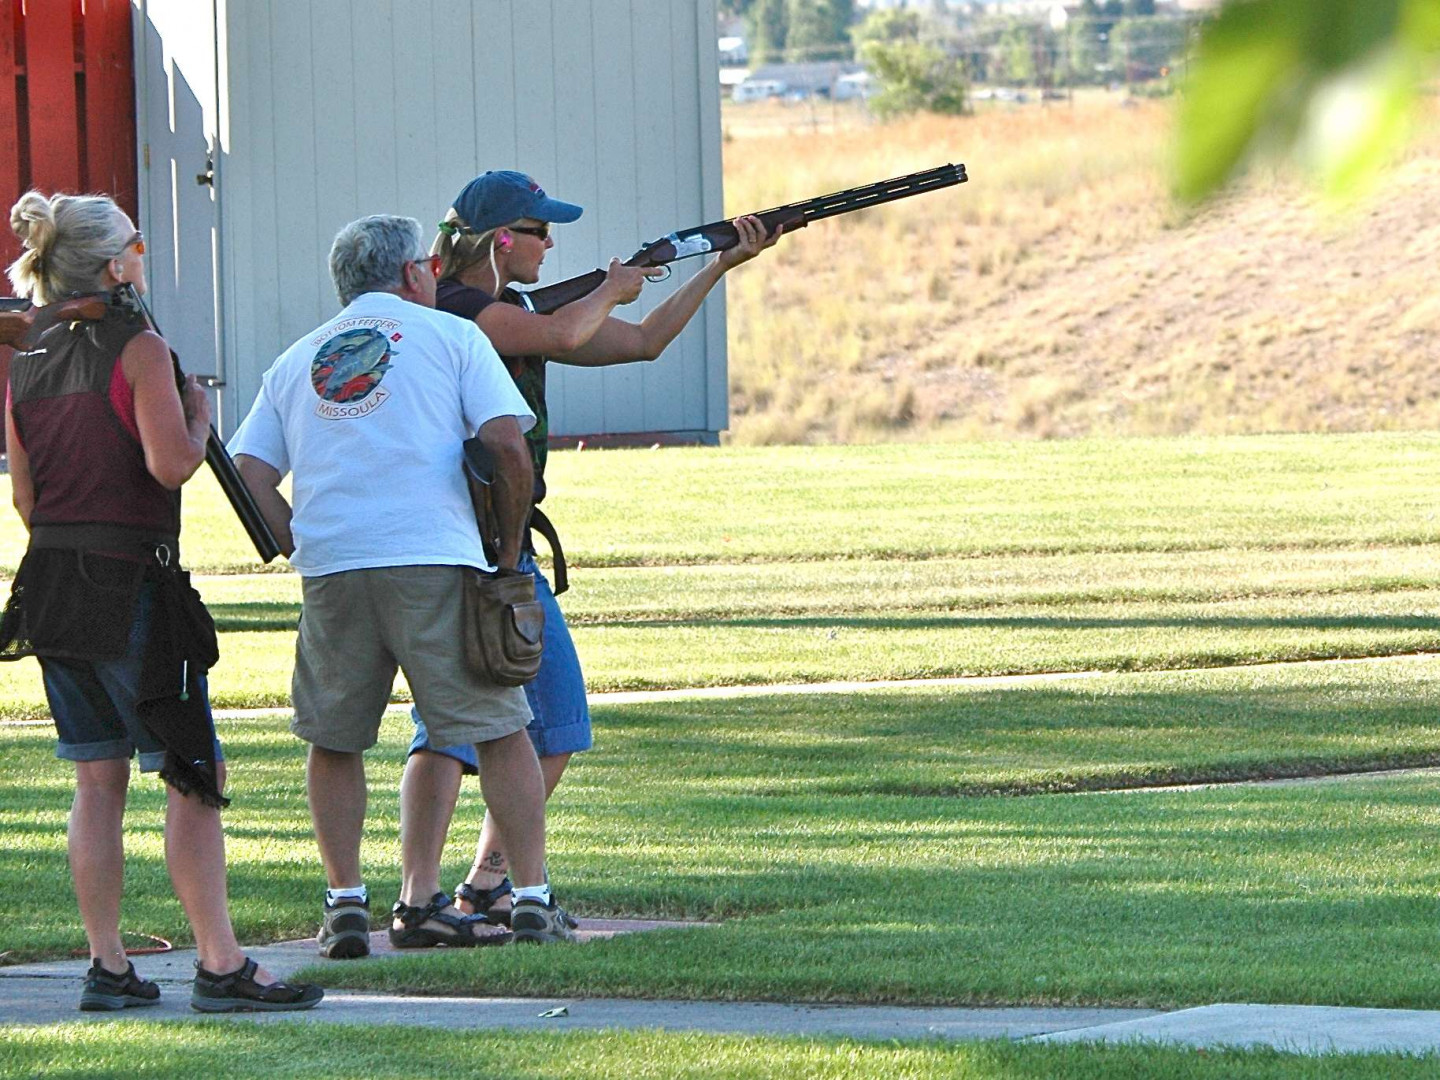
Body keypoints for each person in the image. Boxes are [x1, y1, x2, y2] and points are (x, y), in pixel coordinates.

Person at [403, 171, 782, 927]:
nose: (552, 243)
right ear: (502, 238)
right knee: (545, 723)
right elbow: (567, 332)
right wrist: (612, 285)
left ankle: (462, 888)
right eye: (542, 231)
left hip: (478, 538)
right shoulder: (462, 312)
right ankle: (462, 890)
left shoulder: (505, 308)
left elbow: (640, 344)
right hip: (482, 543)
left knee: (455, 733)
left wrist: (715, 266)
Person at [1, 191, 321, 1013]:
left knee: (96, 779)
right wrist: (198, 407)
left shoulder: (27, 355)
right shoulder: (139, 347)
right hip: (131, 584)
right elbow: (174, 465)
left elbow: (28, 503)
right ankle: (221, 964)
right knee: (191, 772)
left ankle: (108, 965)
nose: (141, 255)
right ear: (114, 264)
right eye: (135, 246)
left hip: (50, 585)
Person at [231, 213, 576, 958]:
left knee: (336, 738)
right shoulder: (454, 338)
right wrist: (509, 547)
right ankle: (532, 898)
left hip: (332, 567)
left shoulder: (296, 360)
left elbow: (249, 473)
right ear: (414, 273)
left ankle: (346, 903)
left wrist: (299, 542)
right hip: (436, 557)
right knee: (499, 725)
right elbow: (508, 445)